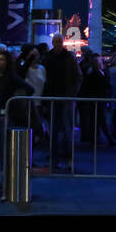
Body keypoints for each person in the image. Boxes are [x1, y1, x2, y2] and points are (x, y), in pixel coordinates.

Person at [42, 36, 81, 169]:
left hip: (64, 97)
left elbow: (77, 76)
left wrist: (72, 94)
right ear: (53, 43)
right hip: (55, 97)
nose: (57, 44)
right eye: (55, 42)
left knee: (65, 129)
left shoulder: (67, 57)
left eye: (59, 42)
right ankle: (56, 159)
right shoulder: (50, 57)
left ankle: (66, 158)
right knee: (56, 130)